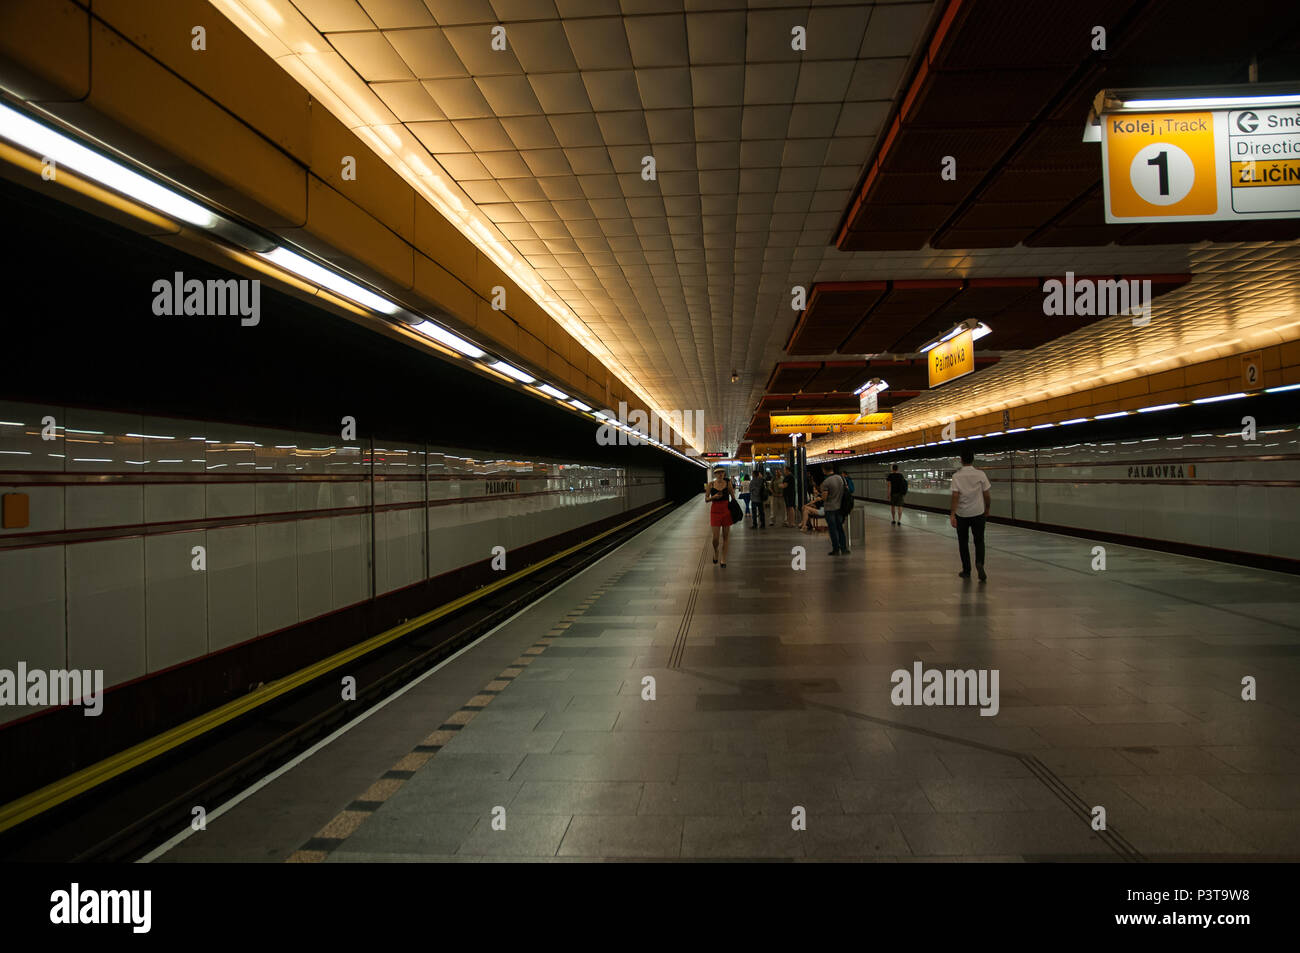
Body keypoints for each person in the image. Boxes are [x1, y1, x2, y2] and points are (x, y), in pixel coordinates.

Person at [949, 448, 991, 581]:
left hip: (962, 514)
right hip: (978, 513)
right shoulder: (980, 474)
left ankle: (966, 570)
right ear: (973, 459)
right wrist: (987, 508)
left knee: (963, 542)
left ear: (961, 460)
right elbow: (987, 495)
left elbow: (955, 496)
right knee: (979, 541)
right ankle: (979, 562)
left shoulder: (956, 476)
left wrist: (952, 514)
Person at [705, 468, 736, 568]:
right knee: (715, 538)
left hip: (726, 511)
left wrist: (734, 508)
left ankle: (723, 558)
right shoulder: (711, 484)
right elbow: (706, 499)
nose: (720, 474)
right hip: (715, 511)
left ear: (724, 473)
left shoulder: (728, 483)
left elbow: (733, 497)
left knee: (726, 537)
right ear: (715, 474)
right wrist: (713, 497)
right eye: (718, 473)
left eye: (722, 472)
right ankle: (716, 551)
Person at [820, 463, 849, 556]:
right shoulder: (841, 478)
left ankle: (836, 549)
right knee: (840, 528)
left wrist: (820, 494)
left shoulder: (826, 482)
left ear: (824, 470)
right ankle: (844, 549)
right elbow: (847, 490)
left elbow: (824, 497)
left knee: (833, 529)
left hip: (830, 508)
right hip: (840, 507)